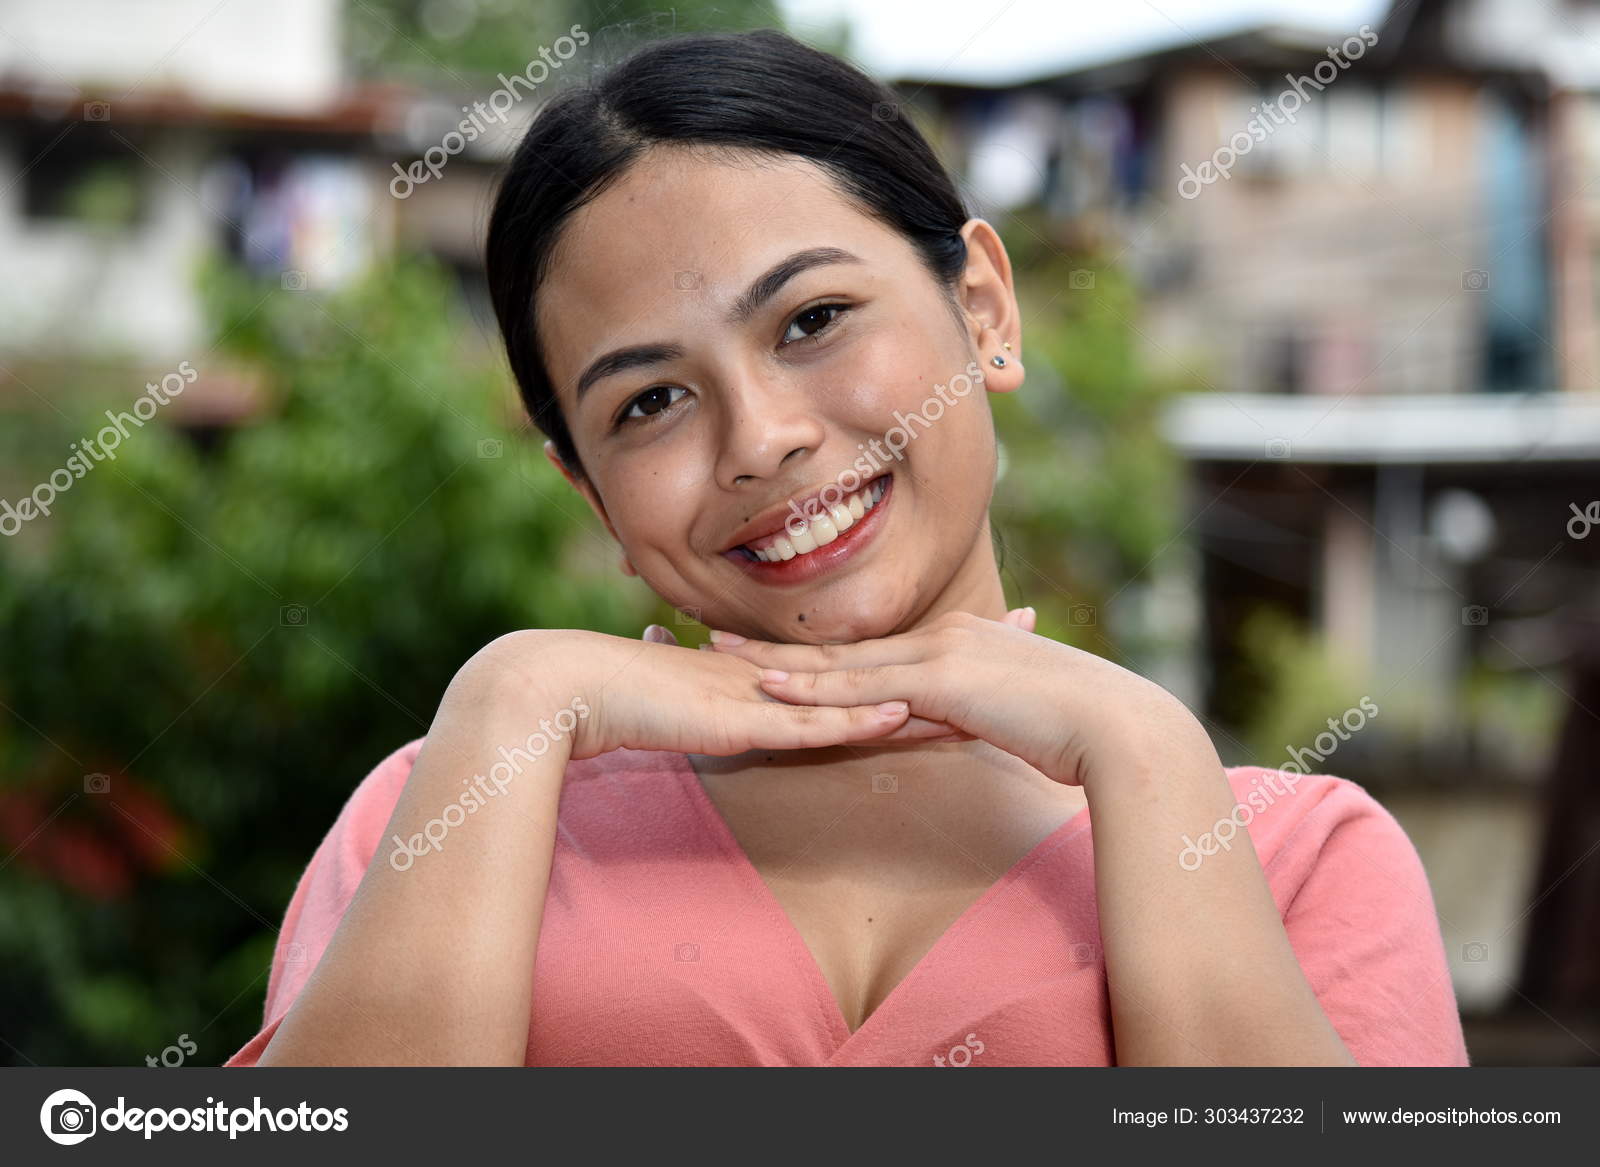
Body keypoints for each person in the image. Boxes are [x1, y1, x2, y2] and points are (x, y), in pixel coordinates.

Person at [225, 28, 1469, 1067]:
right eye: (647, 402)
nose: (758, 440)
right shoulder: (455, 809)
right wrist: (508, 700)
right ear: (590, 494)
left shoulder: (1301, 859)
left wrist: (1146, 755)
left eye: (813, 318)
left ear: (981, 304)